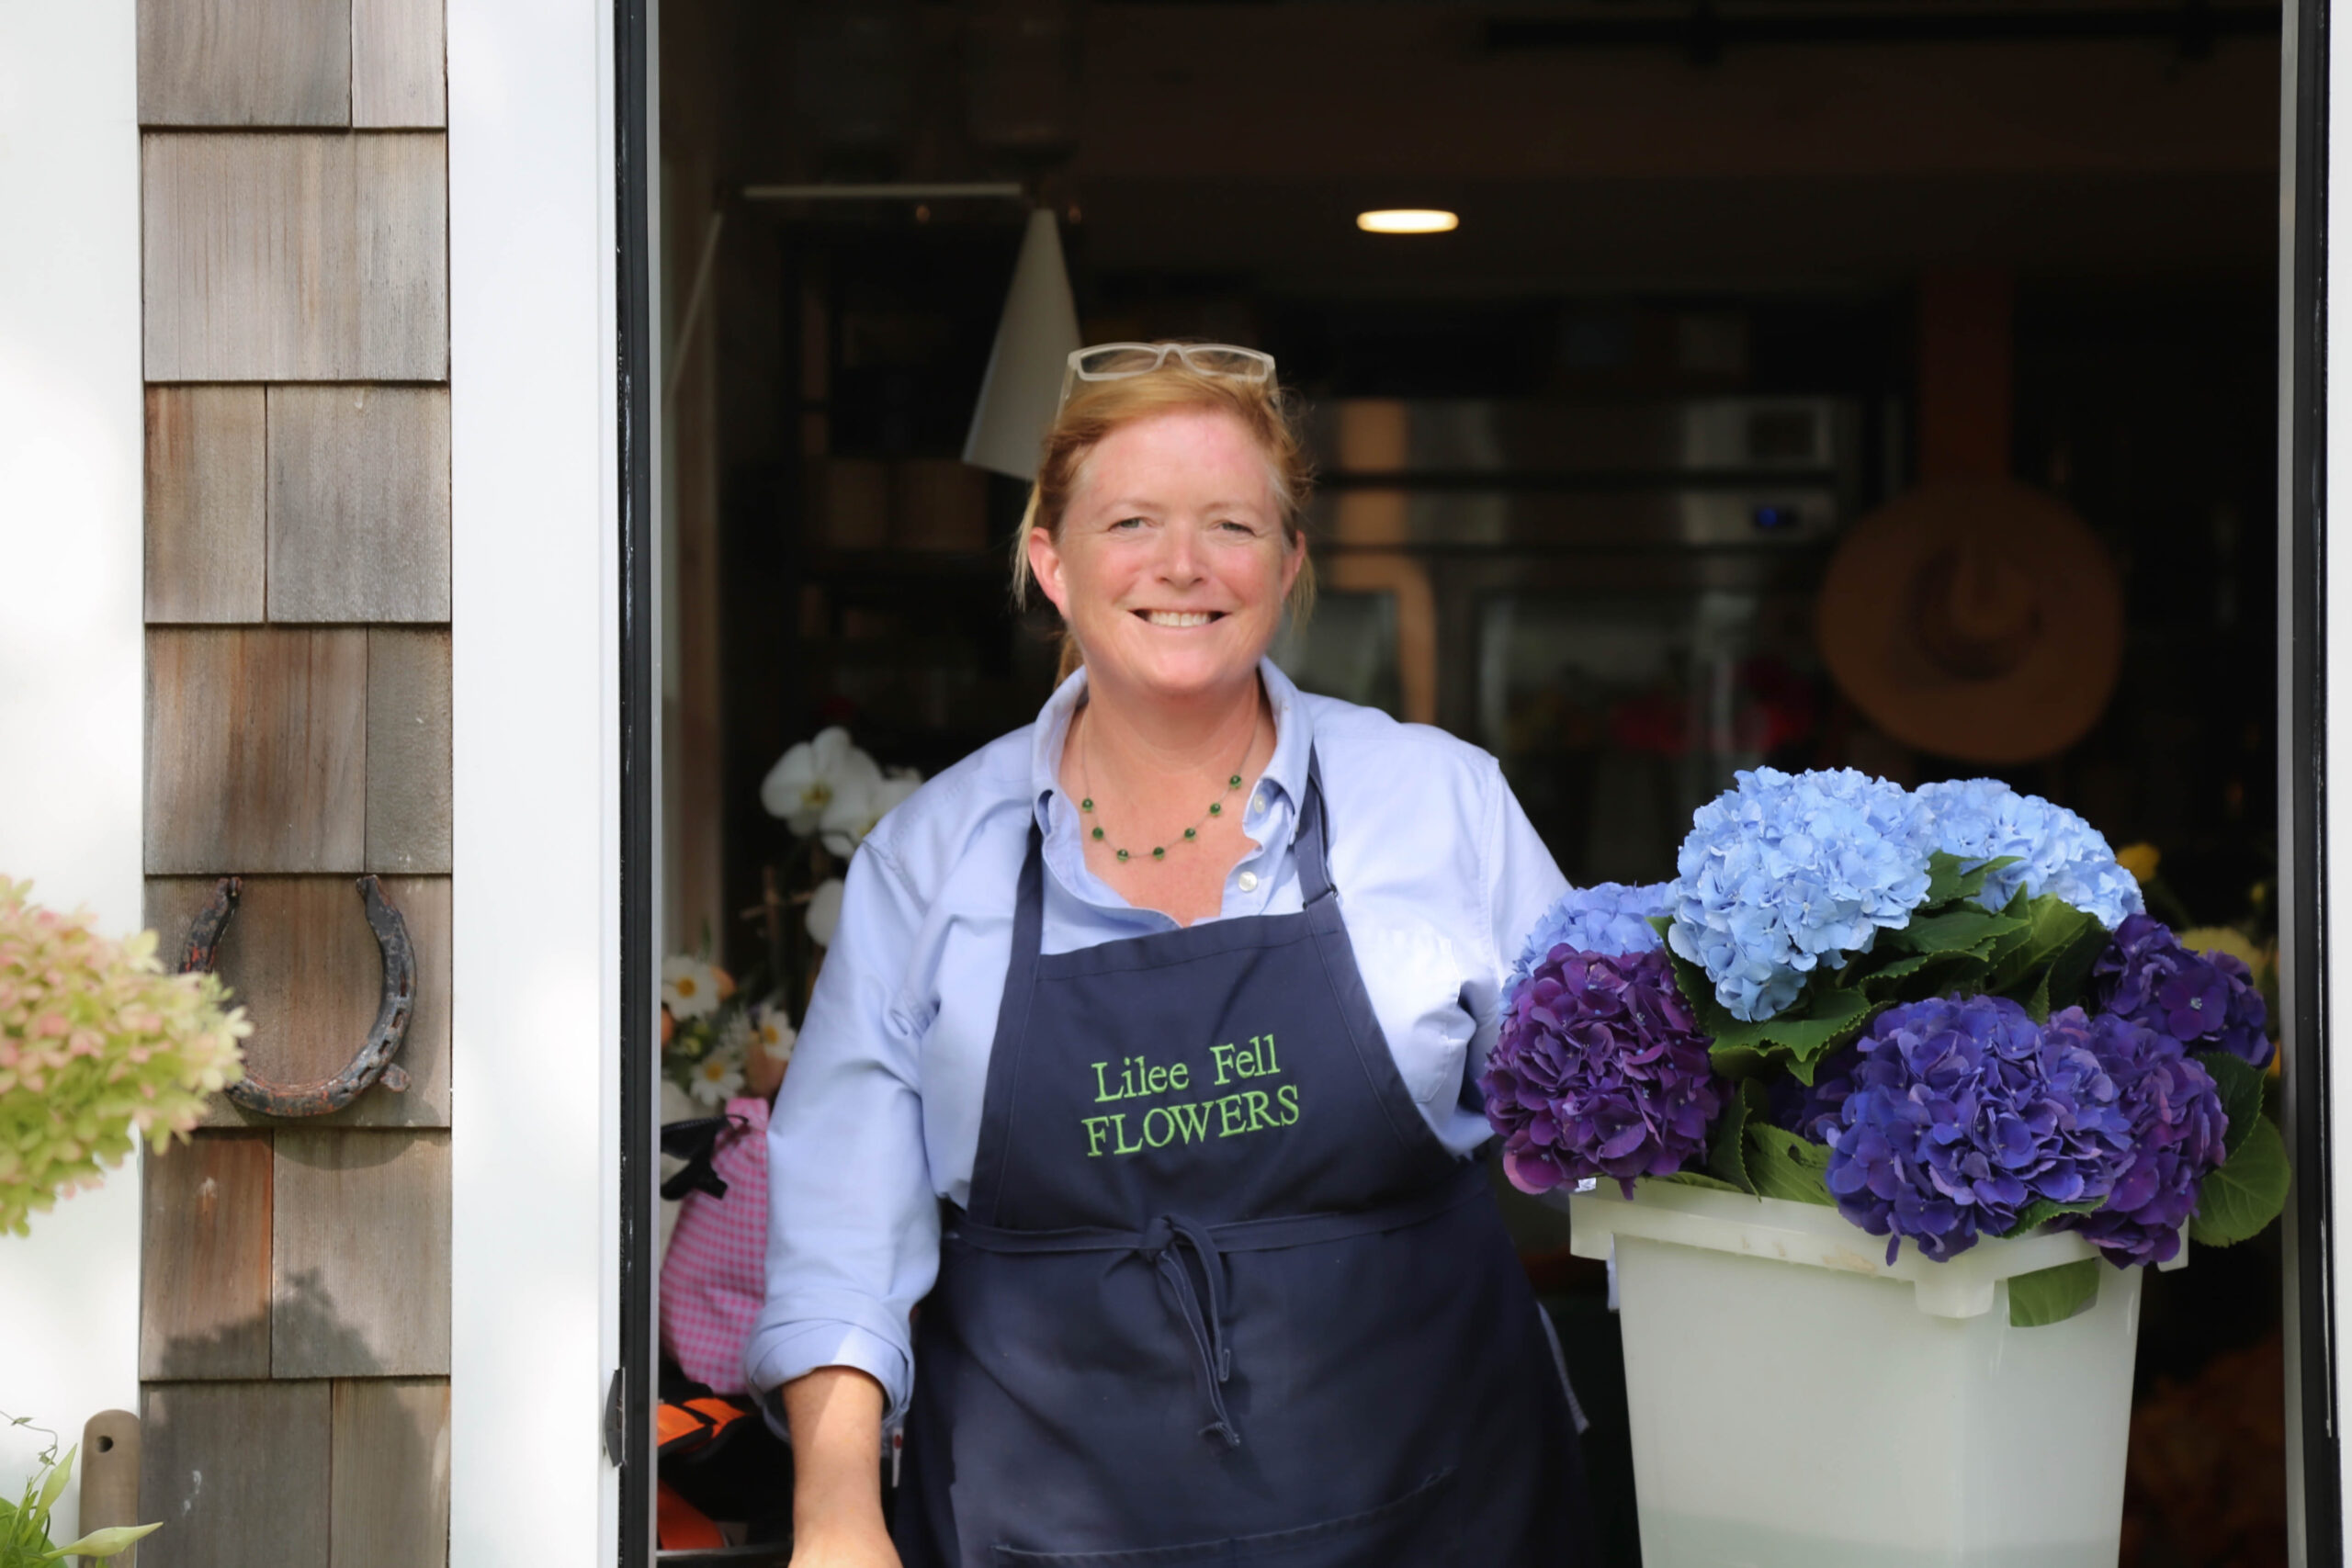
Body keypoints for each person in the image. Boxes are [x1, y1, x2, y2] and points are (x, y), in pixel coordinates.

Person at [751, 342, 1591, 1567]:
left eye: (1232, 527)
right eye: (1131, 521)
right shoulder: (930, 861)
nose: (1183, 567)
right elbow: (841, 1228)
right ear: (1051, 560)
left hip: (1446, 1509)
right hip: (1041, 1531)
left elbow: (1618, 1126)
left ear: (1291, 562)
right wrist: (836, 1518)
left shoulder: (1440, 804)